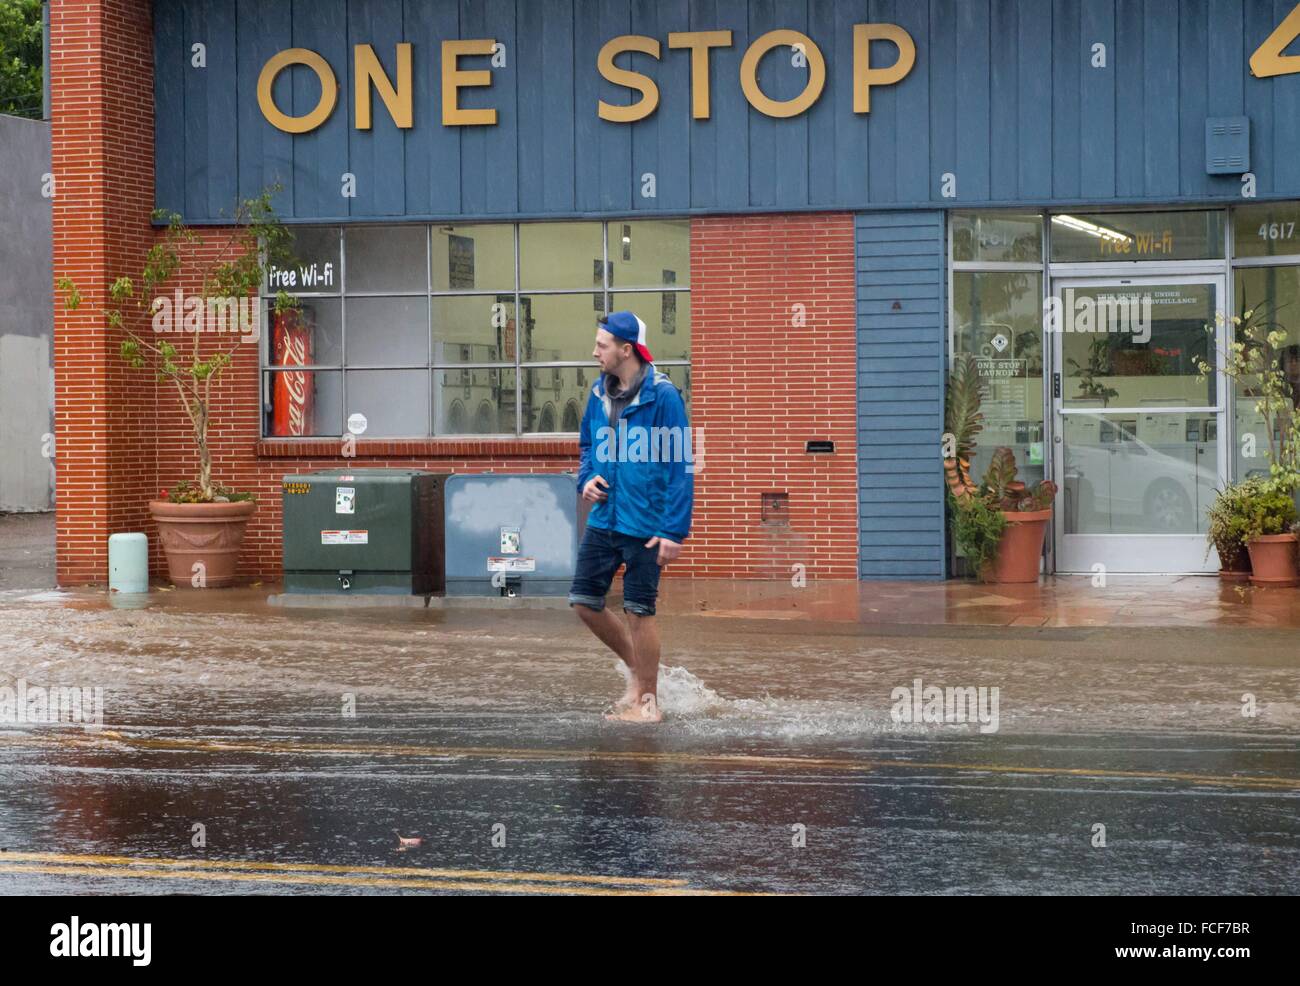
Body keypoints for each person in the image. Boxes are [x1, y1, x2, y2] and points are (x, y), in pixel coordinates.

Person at [568, 311, 693, 723]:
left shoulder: (663, 396)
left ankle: (647, 704)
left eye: (601, 345)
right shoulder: (597, 394)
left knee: (640, 612)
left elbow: (680, 466)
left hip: (646, 524)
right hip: (605, 518)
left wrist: (673, 528)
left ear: (626, 350)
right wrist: (585, 480)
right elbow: (587, 445)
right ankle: (638, 672)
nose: (594, 352)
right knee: (585, 602)